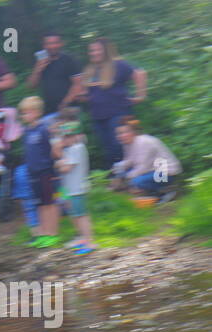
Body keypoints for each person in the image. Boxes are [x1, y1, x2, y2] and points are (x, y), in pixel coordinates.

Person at [68, 37, 147, 167]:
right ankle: (117, 179)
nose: (94, 53)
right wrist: (83, 97)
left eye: (98, 50)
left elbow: (140, 73)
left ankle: (131, 177)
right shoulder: (90, 69)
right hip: (98, 116)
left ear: (106, 50)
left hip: (118, 113)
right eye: (92, 50)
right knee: (108, 149)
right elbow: (91, 93)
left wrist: (140, 95)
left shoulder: (118, 65)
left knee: (120, 146)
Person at [20, 96, 62, 247]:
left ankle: (53, 233)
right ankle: (43, 234)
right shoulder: (27, 132)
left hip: (46, 172)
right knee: (40, 204)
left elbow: (53, 150)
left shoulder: (44, 130)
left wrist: (55, 164)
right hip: (33, 172)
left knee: (50, 203)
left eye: (27, 112)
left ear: (37, 112)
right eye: (23, 113)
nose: (24, 116)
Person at [112, 117, 182, 199]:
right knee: (123, 173)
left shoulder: (144, 142)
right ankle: (144, 191)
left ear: (133, 132)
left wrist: (124, 178)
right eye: (119, 133)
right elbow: (129, 161)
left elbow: (142, 168)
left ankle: (166, 190)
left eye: (125, 132)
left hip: (166, 173)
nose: (121, 136)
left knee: (136, 182)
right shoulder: (128, 143)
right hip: (151, 170)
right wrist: (118, 169)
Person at [54, 112, 94, 253]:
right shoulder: (70, 149)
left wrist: (59, 162)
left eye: (68, 136)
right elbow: (63, 164)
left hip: (77, 188)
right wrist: (60, 160)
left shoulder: (77, 148)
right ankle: (81, 237)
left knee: (81, 214)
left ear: (76, 136)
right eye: (64, 136)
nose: (65, 140)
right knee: (72, 213)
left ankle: (89, 242)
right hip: (67, 189)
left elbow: (66, 168)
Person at [26, 31, 82, 119]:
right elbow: (31, 85)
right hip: (48, 111)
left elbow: (78, 84)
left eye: (55, 43)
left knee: (69, 133)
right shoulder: (40, 62)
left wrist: (65, 104)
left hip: (69, 110)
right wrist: (37, 70)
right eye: (48, 44)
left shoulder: (69, 60)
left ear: (61, 44)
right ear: (44, 46)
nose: (52, 46)